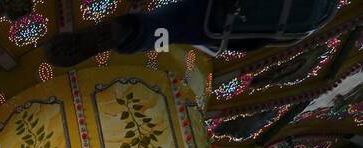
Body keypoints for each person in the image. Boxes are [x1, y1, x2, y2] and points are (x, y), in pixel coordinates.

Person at [45, 0, 337, 68]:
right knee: (170, 28)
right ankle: (129, 32)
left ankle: (130, 31)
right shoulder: (321, 13)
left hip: (223, 19)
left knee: (172, 25)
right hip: (229, 27)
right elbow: (266, 41)